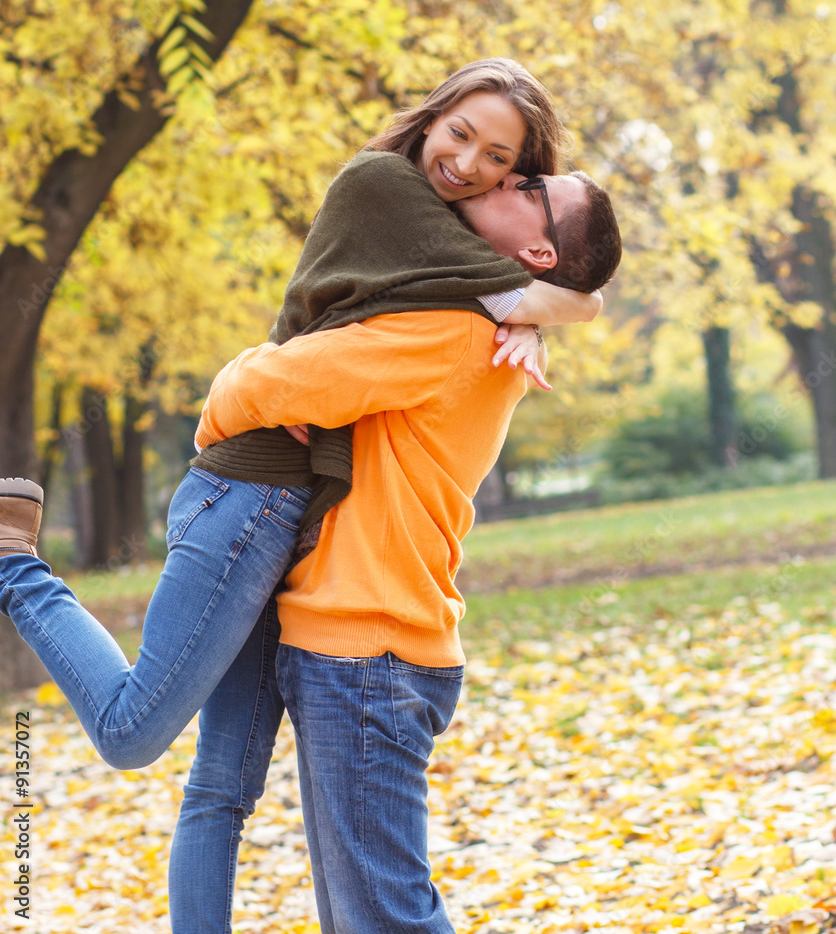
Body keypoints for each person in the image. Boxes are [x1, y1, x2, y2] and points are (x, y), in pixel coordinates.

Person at [0, 59, 610, 923]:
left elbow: (484, 303)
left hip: (310, 553)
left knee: (225, 791)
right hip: (253, 493)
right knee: (142, 737)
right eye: (463, 133)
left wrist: (547, 308)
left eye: (510, 166)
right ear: (431, 119)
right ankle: (12, 562)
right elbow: (256, 394)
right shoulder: (387, 195)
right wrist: (555, 304)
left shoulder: (460, 302)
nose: (477, 165)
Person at [172, 166, 621, 934]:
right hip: (371, 647)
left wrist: (236, 376)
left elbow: (253, 393)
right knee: (366, 915)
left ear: (541, 253)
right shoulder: (473, 323)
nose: (513, 175)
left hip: (366, 654)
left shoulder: (448, 332)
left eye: (535, 187)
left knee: (383, 919)